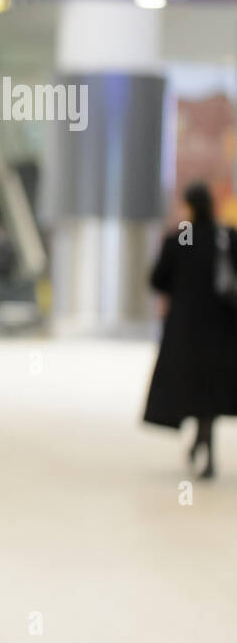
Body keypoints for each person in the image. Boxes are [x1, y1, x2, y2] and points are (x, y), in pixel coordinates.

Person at [143, 181, 237, 479]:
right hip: (222, 328)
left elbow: (158, 280)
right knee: (211, 389)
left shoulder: (182, 237)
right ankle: (204, 445)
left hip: (187, 329)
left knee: (196, 387)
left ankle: (201, 444)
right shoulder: (226, 236)